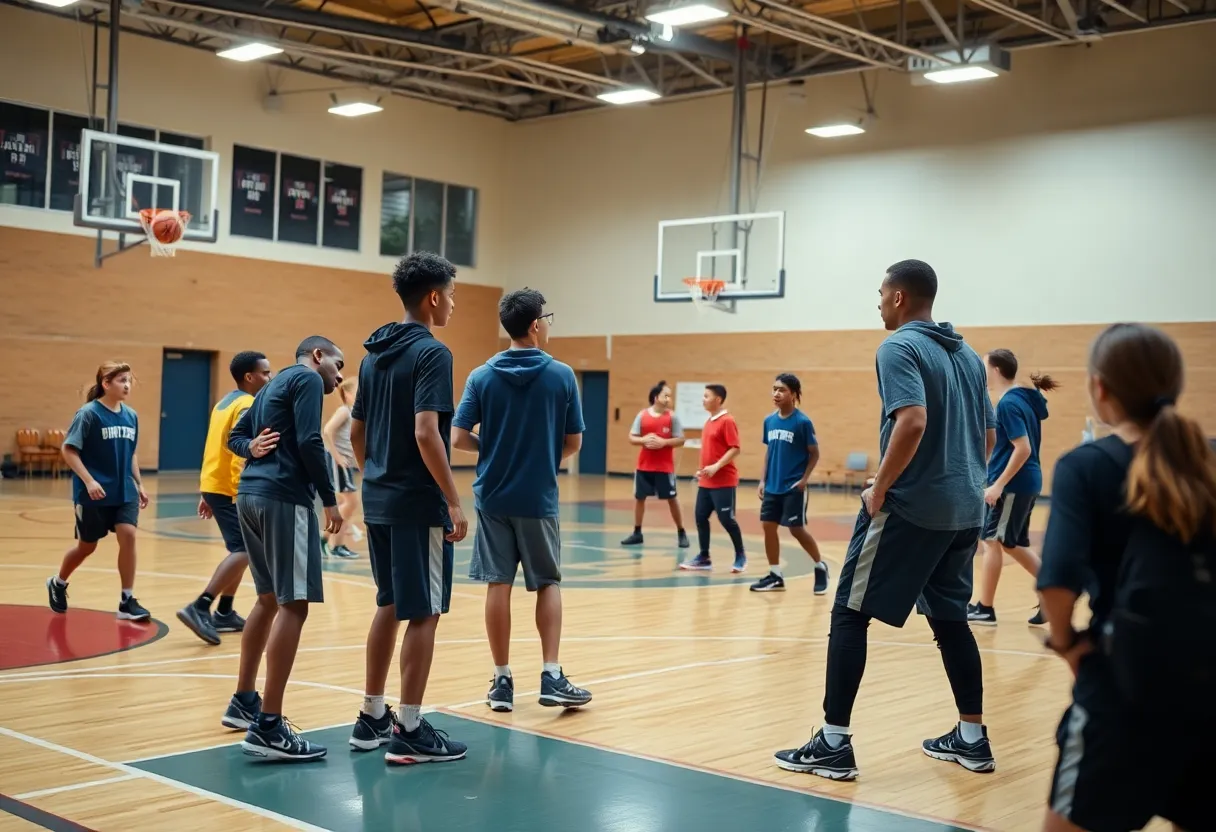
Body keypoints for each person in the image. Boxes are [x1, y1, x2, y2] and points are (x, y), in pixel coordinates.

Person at [774, 259, 997, 780]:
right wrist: (965, 477)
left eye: (880, 294)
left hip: (912, 508)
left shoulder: (898, 347)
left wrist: (881, 485)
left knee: (850, 611)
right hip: (964, 511)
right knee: (950, 620)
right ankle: (971, 738)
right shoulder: (965, 354)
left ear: (899, 298)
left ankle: (833, 743)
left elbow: (913, 419)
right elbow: (987, 433)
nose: (877, 303)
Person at [1038, 323, 1216, 832]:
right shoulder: (1209, 459)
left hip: (1124, 689)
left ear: (1100, 387)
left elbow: (1057, 582)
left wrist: (1068, 644)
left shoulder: (1086, 466)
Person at [347, 252, 468, 766]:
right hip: (417, 504)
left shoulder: (373, 354)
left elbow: (357, 433)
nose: (455, 304)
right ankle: (411, 727)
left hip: (378, 498)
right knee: (426, 611)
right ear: (434, 297)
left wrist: (376, 477)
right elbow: (426, 432)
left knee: (390, 603)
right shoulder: (432, 354)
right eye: (453, 295)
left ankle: (372, 715)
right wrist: (454, 499)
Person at [453, 288, 592, 713]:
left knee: (499, 583)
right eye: (546, 316)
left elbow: (458, 437)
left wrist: (494, 448)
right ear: (534, 324)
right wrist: (542, 456)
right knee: (546, 582)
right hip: (538, 496)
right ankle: (551, 675)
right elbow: (573, 442)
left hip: (492, 495)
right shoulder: (562, 375)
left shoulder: (480, 375)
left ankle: (501, 681)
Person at [222, 336, 345, 762]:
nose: (340, 373)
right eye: (337, 362)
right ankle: (269, 726)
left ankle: (244, 699)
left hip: (249, 496)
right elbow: (311, 441)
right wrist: (329, 498)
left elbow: (234, 436)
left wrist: (249, 448)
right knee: (295, 605)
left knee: (268, 599)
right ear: (316, 356)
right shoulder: (308, 381)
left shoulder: (271, 387)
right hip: (283, 497)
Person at [176, 351, 273, 645]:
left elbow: (212, 447)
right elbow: (237, 452)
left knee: (241, 549)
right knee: (245, 550)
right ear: (250, 377)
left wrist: (207, 489)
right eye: (266, 373)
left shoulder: (223, 402)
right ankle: (200, 606)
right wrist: (238, 493)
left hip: (215, 485)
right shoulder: (248, 404)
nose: (270, 378)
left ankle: (225, 611)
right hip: (231, 489)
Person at [46, 361, 151, 621]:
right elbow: (69, 450)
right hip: (93, 493)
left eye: (129, 380)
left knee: (129, 535)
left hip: (123, 491)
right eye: (121, 380)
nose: (127, 385)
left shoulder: (132, 415)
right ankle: (58, 582)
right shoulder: (88, 414)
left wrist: (139, 484)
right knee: (86, 547)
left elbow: (132, 454)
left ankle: (127, 600)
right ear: (106, 383)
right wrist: (90, 481)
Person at [968, 349, 1057, 627]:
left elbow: (1023, 448)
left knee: (994, 540)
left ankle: (985, 608)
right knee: (1009, 542)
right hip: (1027, 481)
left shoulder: (1007, 403)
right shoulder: (1022, 398)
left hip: (1015, 483)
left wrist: (997, 485)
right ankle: (1052, 592)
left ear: (995, 370)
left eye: (984, 367)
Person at [751, 374, 829, 595]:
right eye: (774, 389)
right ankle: (775, 575)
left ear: (793, 394)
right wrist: (762, 480)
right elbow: (769, 452)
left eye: (782, 390)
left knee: (796, 529)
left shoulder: (802, 422)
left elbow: (814, 453)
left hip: (793, 486)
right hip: (772, 487)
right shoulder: (769, 421)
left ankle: (819, 565)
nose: (776, 393)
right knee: (768, 527)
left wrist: (804, 480)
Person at [679, 385, 745, 573]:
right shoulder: (708, 422)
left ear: (718, 399)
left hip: (724, 481)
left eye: (706, 396)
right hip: (706, 482)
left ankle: (741, 555)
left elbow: (735, 448)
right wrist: (702, 470)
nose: (703, 399)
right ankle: (704, 557)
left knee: (727, 519)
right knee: (700, 516)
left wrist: (716, 466)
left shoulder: (727, 421)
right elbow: (709, 451)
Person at [620, 381, 689, 549]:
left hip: (664, 468)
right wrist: (643, 440)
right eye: (666, 395)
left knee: (672, 499)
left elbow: (681, 439)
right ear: (656, 397)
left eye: (669, 396)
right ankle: (637, 532)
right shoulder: (642, 415)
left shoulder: (672, 417)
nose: (668, 399)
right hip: (644, 467)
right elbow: (631, 437)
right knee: (639, 499)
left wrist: (664, 442)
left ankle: (681, 532)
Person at [323, 379, 362, 559]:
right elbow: (327, 431)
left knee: (347, 505)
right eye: (357, 392)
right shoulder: (344, 411)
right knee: (351, 502)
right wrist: (338, 458)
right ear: (347, 394)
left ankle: (334, 543)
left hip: (345, 463)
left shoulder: (354, 414)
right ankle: (327, 540)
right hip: (337, 462)